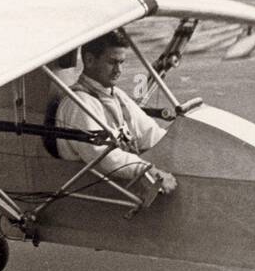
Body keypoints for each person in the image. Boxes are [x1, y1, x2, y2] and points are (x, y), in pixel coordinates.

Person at [53, 30, 177, 197]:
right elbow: (103, 157)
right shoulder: (79, 103)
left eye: (122, 62)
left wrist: (182, 149)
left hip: (115, 182)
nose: (119, 70)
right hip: (91, 191)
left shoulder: (115, 94)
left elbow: (150, 133)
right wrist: (147, 170)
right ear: (89, 60)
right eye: (112, 62)